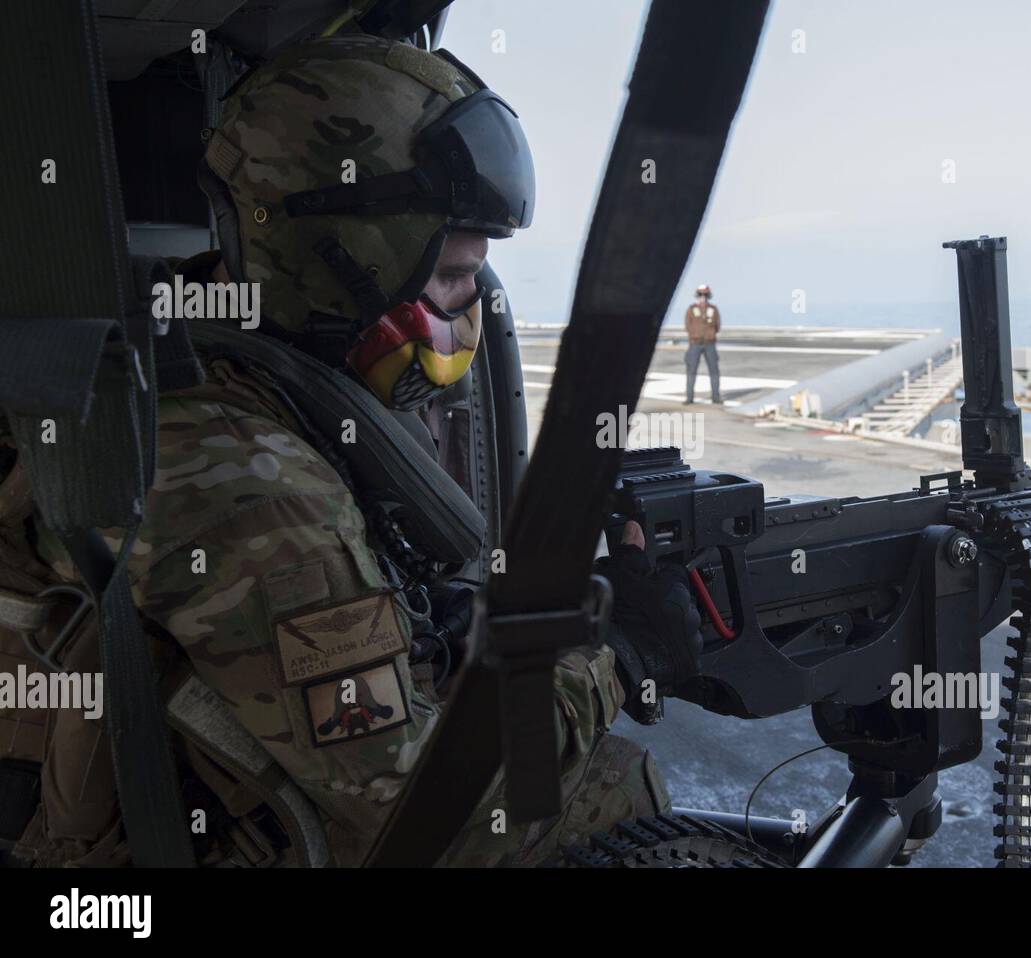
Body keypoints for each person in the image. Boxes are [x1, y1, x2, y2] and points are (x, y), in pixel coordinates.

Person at [0, 35, 700, 868]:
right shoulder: (249, 483)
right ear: (336, 263)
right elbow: (430, 818)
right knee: (614, 787)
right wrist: (617, 659)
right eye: (448, 275)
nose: (468, 305)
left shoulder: (183, 355)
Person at [684, 283, 722, 404]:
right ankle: (689, 397)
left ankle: (715, 397)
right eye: (700, 295)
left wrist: (709, 334)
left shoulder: (713, 310)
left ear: (708, 296)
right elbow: (687, 325)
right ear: (697, 296)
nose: (703, 297)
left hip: (710, 344)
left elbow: (717, 326)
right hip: (695, 343)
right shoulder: (691, 309)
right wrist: (695, 335)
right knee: (691, 370)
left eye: (705, 295)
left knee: (714, 371)